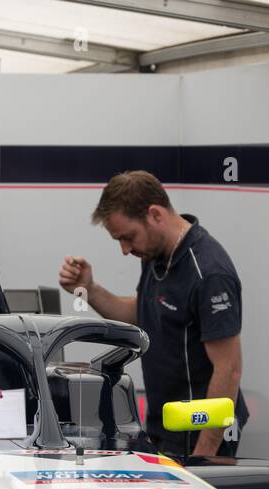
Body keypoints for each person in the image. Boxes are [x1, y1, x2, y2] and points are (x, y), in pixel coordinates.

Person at [58, 171, 247, 458]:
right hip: (165, 427)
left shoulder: (208, 273)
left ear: (155, 214)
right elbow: (144, 311)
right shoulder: (156, 254)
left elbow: (229, 369)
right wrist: (90, 289)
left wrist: (204, 455)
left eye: (128, 237)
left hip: (200, 432)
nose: (125, 250)